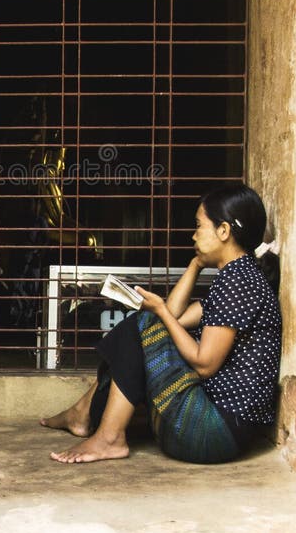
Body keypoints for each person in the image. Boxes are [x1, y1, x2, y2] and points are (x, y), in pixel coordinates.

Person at [40, 183, 281, 465]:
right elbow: (174, 316)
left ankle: (103, 433)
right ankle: (85, 416)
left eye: (199, 226)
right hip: (217, 429)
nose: (193, 235)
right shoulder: (238, 277)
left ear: (224, 231)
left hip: (213, 433)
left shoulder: (237, 283)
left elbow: (204, 364)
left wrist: (159, 312)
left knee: (144, 323)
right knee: (147, 324)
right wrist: (195, 264)